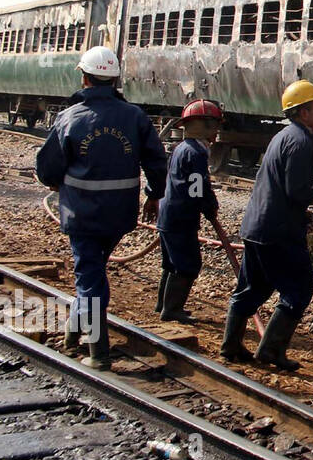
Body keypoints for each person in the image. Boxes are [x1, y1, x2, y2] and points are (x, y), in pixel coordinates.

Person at [35, 46, 167, 370]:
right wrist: (154, 194)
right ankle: (72, 331)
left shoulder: (70, 118)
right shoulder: (134, 116)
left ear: (84, 77)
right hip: (119, 217)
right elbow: (156, 160)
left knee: (90, 279)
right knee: (92, 271)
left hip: (82, 216)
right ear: (114, 79)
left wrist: (57, 182)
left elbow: (47, 168)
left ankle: (98, 351)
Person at [220, 80, 313, 370]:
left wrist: (304, 216)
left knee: (252, 288)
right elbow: (297, 190)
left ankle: (231, 345)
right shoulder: (302, 141)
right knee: (299, 288)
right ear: (303, 113)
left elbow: (280, 188)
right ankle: (271, 351)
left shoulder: (283, 136)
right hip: (278, 233)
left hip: (257, 226)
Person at [155, 99, 224, 322]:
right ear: (202, 126)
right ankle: (171, 309)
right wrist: (209, 206)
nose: (217, 131)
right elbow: (197, 186)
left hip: (169, 214)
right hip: (181, 217)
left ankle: (163, 305)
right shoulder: (196, 153)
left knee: (171, 263)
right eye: (214, 125)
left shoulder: (181, 148)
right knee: (187, 264)